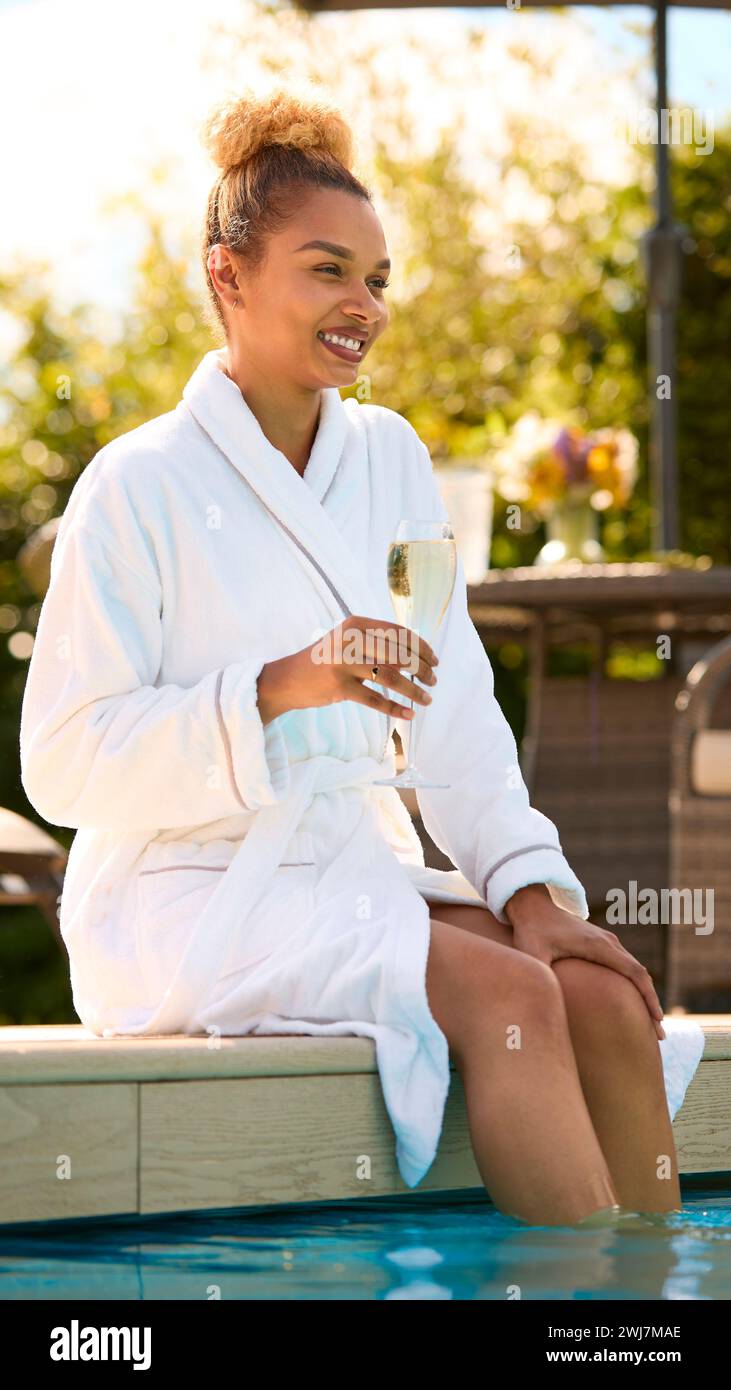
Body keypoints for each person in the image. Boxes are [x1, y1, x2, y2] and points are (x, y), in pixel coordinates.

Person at [19, 83, 702, 1228]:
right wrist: (274, 692)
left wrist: (529, 891)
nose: (362, 303)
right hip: (190, 899)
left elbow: (455, 716)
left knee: (588, 991)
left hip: (352, 872)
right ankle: (590, 1319)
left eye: (376, 278)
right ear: (225, 274)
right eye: (326, 269)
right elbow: (60, 765)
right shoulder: (135, 487)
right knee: (506, 997)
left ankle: (663, 1307)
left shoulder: (387, 458)